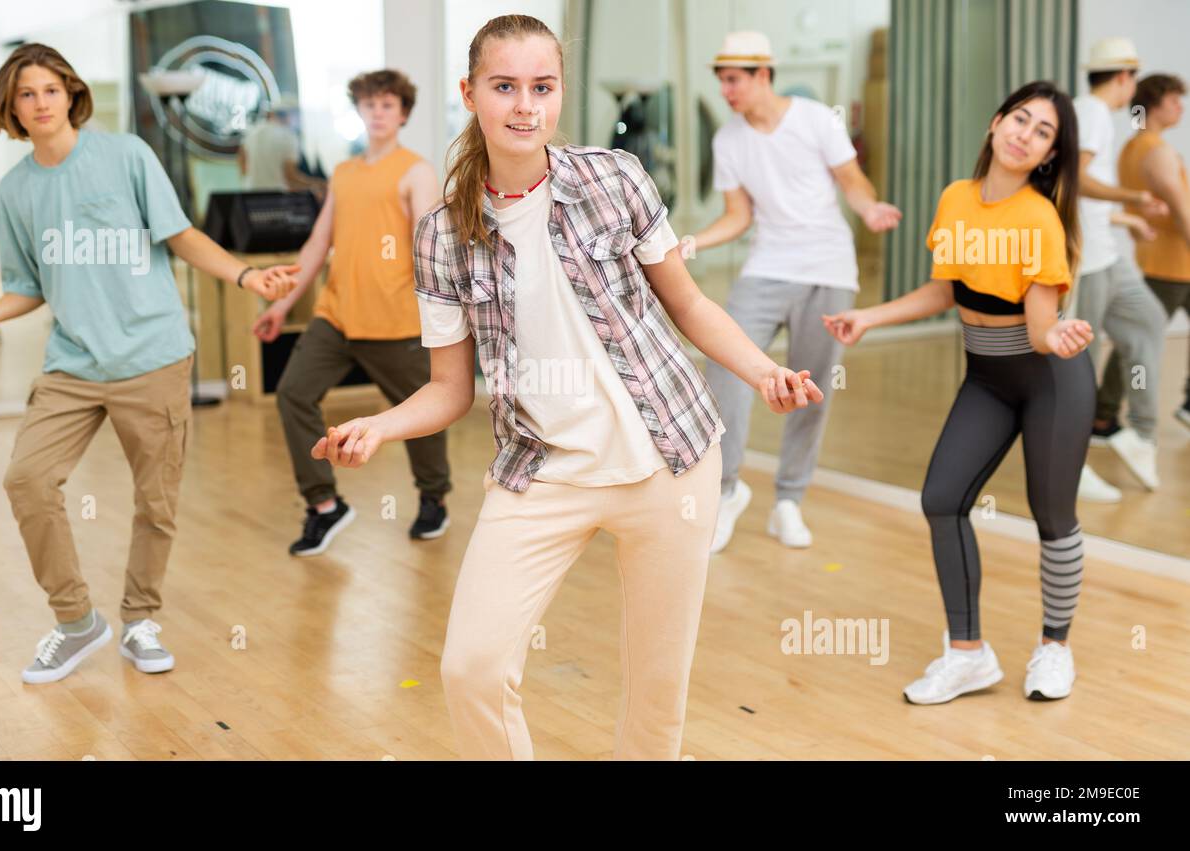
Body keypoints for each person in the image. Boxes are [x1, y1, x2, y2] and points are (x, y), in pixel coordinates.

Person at [313, 14, 824, 760]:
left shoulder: (615, 179)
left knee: (657, 697)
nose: (525, 106)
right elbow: (451, 388)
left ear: (559, 94)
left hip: (671, 461)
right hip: (541, 473)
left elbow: (689, 304)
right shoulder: (440, 237)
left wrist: (764, 370)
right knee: (472, 669)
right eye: (505, 86)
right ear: (471, 93)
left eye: (542, 87)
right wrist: (382, 426)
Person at [0, 43, 298, 685]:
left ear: (71, 94)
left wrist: (245, 275)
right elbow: (27, 285)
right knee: (27, 480)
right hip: (72, 364)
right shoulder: (15, 190)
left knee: (156, 501)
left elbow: (179, 235)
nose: (39, 103)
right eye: (24, 94)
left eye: (48, 90)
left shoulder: (126, 155)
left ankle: (140, 620)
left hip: (152, 357)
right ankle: (76, 623)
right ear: (10, 108)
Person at [825, 81, 1093, 704]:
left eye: (1042, 131)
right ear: (996, 123)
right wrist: (871, 316)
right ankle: (968, 654)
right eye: (1019, 118)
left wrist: (1061, 338)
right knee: (943, 498)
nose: (1024, 133)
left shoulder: (1039, 218)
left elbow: (1040, 329)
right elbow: (945, 291)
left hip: (1050, 375)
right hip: (988, 378)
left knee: (1052, 516)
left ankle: (1055, 648)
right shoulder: (956, 199)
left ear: (1049, 155)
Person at [692, 31, 901, 552]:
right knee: (724, 366)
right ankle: (728, 489)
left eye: (734, 79)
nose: (727, 91)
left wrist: (869, 208)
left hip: (829, 270)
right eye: (721, 81)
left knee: (810, 387)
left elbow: (852, 179)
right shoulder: (728, 140)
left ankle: (788, 500)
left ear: (764, 74)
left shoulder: (814, 119)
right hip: (768, 265)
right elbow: (739, 215)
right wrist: (693, 241)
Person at [253, 69, 452, 554]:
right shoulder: (343, 173)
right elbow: (318, 243)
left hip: (397, 320)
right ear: (360, 111)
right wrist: (281, 304)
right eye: (370, 104)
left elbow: (430, 247)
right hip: (337, 314)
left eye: (388, 104)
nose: (378, 112)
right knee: (294, 394)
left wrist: (445, 315)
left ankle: (433, 498)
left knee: (421, 417)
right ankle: (324, 505)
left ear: (402, 113)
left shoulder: (416, 171)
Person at [1071, 38, 1170, 498]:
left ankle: (1142, 437)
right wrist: (1133, 199)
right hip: (1088, 262)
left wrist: (1123, 216)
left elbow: (1081, 195)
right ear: (1125, 77)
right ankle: (1070, 466)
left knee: (1148, 320)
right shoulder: (1090, 111)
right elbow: (1079, 179)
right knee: (1080, 364)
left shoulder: (1095, 114)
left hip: (1108, 252)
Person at [1105, 73, 1190, 434]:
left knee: (1137, 336)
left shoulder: (1131, 148)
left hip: (1160, 256)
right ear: (1154, 106)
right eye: (1174, 101)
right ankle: (1102, 412)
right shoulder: (1157, 151)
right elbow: (1181, 207)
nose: (1180, 107)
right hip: (1173, 262)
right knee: (1138, 338)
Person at [237, 96, 326, 197]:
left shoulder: (252, 132)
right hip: (276, 198)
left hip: (250, 195)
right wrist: (318, 184)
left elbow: (242, 165)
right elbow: (290, 177)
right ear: (290, 115)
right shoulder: (288, 137)